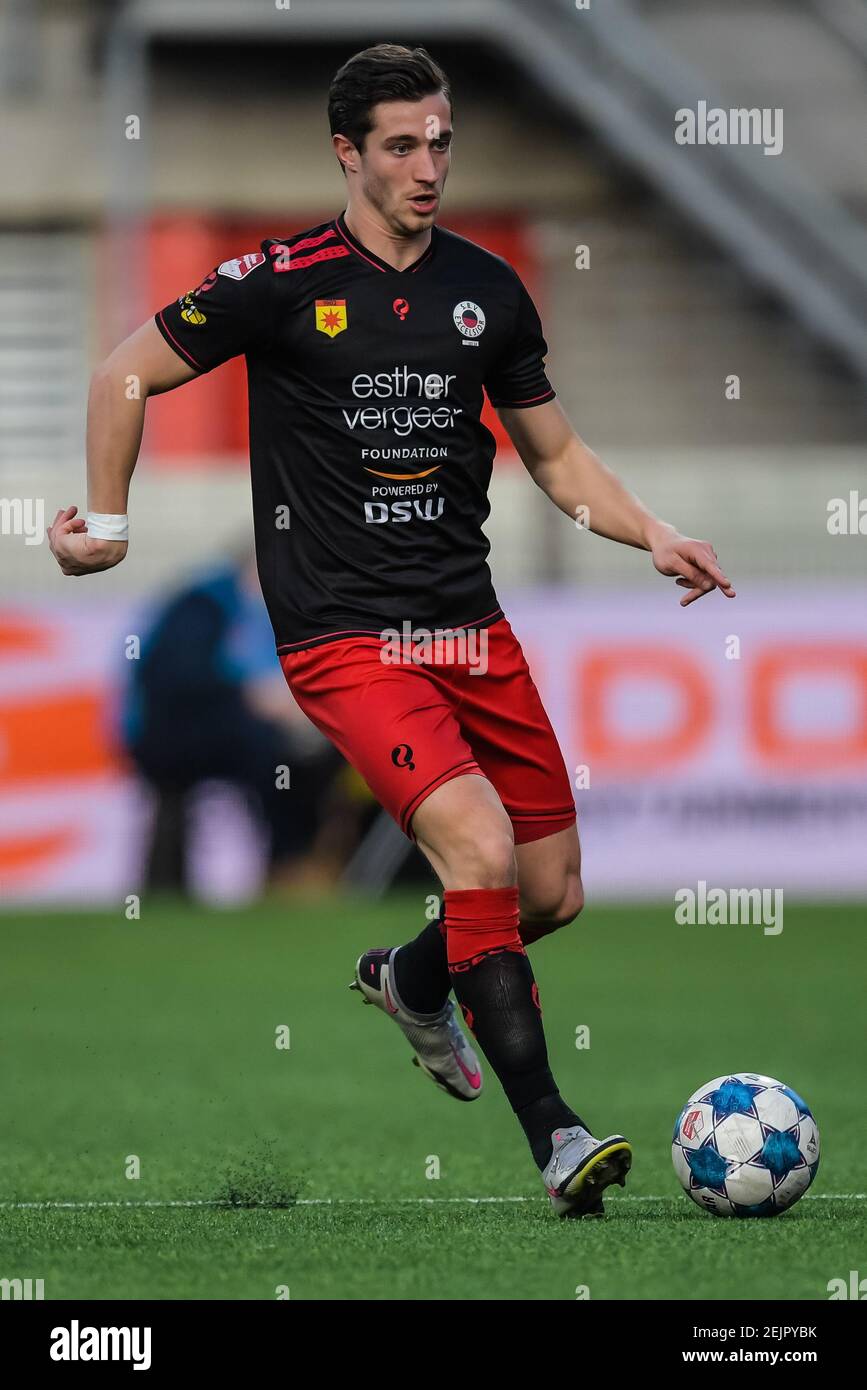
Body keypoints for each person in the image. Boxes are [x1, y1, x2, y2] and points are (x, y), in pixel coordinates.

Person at [48, 43, 735, 1218]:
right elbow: (124, 373)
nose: (429, 166)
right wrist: (104, 521)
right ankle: (559, 1138)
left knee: (551, 889)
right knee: (475, 852)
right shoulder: (277, 279)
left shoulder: (487, 291)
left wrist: (652, 532)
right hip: (345, 637)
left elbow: (555, 455)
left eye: (442, 141)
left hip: (470, 628)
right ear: (348, 155)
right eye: (404, 146)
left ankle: (413, 979)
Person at [119, 552, 344, 895]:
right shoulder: (204, 605)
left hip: (222, 731)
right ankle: (288, 866)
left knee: (306, 758)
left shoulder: (259, 607)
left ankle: (295, 867)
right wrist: (253, 697)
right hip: (169, 736)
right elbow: (180, 680)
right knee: (276, 757)